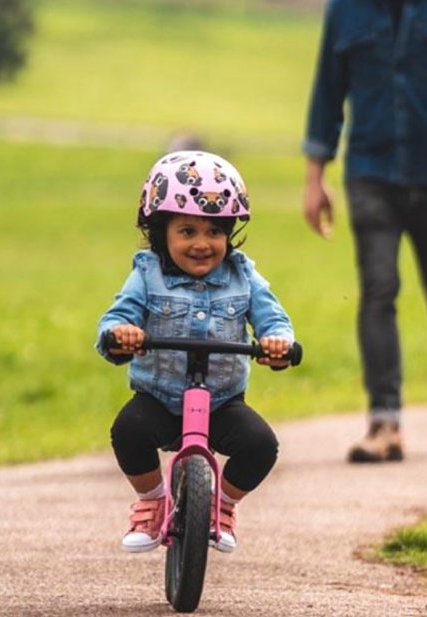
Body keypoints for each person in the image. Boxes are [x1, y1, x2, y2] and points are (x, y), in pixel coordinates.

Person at [302, 0, 427, 462]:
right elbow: (328, 91)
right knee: (378, 290)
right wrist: (315, 178)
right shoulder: (345, 10)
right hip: (371, 173)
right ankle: (384, 422)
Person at [96, 151, 295, 553]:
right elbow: (117, 317)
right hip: (159, 399)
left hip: (221, 402)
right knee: (128, 431)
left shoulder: (244, 275)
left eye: (214, 232)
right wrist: (122, 334)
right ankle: (152, 502)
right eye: (187, 231)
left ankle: (222, 505)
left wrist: (278, 343)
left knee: (260, 445)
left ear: (228, 234)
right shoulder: (147, 273)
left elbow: (273, 319)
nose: (202, 244)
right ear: (161, 234)